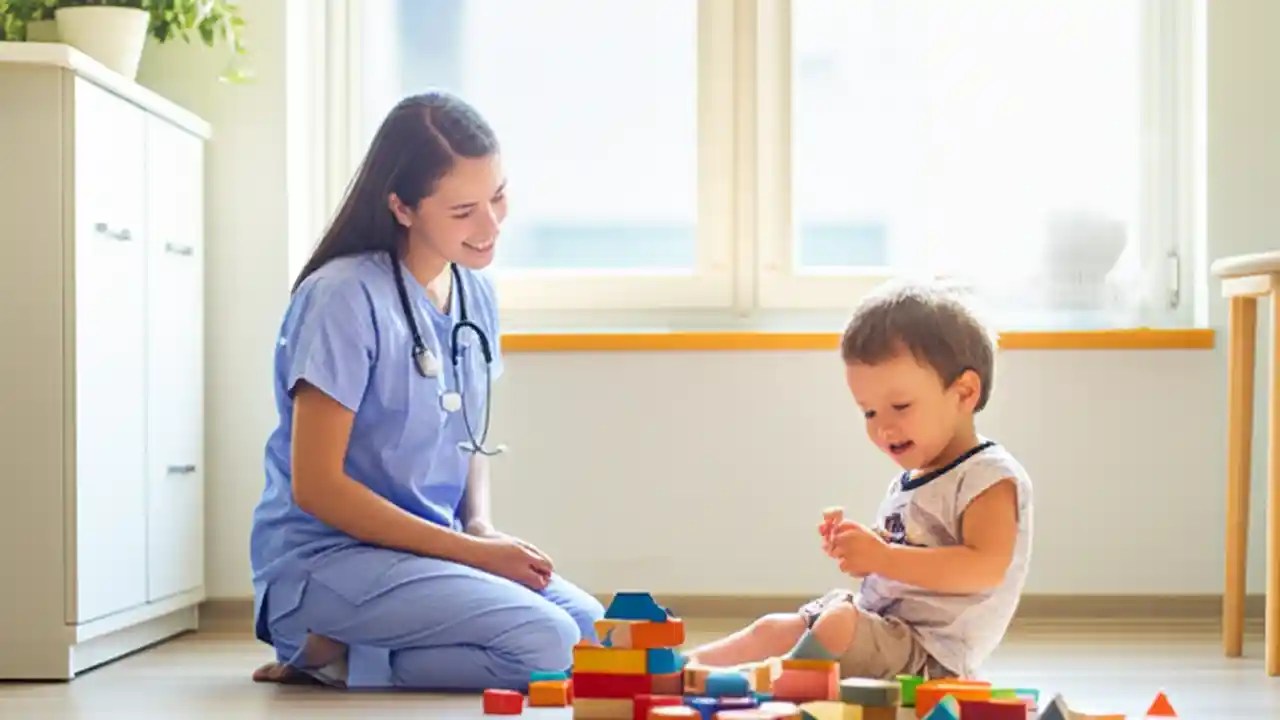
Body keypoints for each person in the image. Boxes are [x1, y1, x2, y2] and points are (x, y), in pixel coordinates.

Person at [248, 90, 604, 691]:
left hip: (426, 555)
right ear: (403, 207)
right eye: (464, 210)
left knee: (595, 632)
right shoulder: (342, 298)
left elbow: (465, 436)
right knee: (548, 642)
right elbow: (317, 486)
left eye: (497, 196)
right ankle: (333, 656)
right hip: (327, 563)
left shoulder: (473, 294)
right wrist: (471, 555)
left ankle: (351, 645)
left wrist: (481, 528)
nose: (490, 225)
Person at [684, 282, 1033, 681]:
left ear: (964, 392)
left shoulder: (986, 476)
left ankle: (755, 686)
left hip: (929, 654)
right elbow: (912, 556)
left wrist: (883, 558)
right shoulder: (913, 478)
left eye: (900, 406)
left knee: (835, 625)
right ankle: (681, 668)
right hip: (878, 623)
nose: (883, 426)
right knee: (774, 628)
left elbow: (983, 569)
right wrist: (867, 544)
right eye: (868, 412)